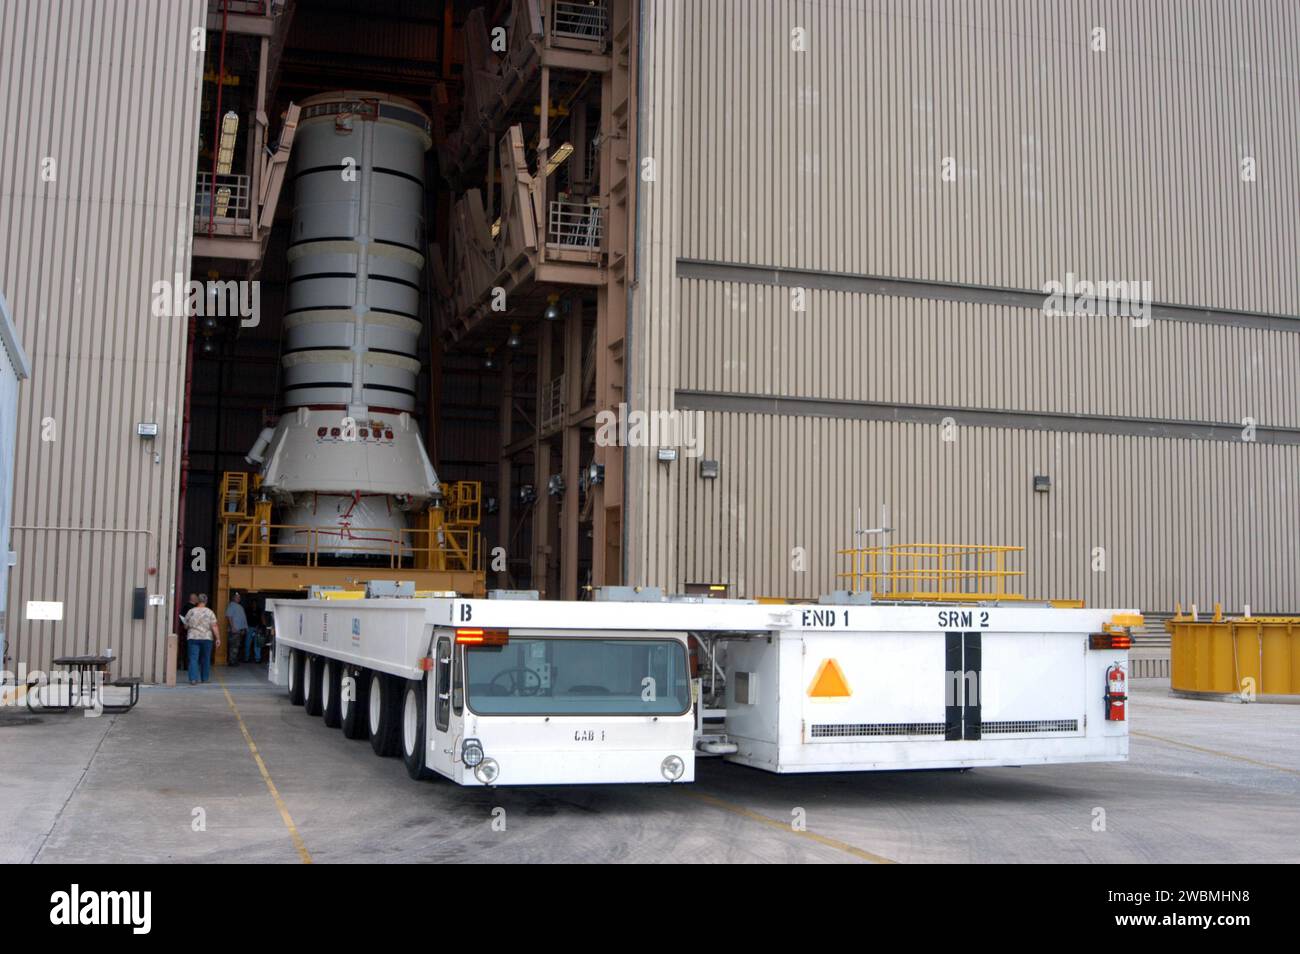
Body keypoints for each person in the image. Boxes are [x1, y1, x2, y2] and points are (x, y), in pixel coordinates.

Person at [183, 594, 220, 685]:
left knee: (193, 658)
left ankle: (193, 679)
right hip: (207, 638)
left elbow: (185, 626)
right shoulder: (210, 612)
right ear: (206, 601)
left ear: (197, 601)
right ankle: (205, 678)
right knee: (206, 659)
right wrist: (218, 638)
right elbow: (214, 626)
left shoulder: (191, 611)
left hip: (193, 637)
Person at [225, 592, 248, 667]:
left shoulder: (239, 606)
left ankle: (234, 660)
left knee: (237, 646)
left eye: (239, 598)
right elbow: (229, 617)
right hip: (235, 630)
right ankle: (232, 661)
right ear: (233, 598)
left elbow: (242, 618)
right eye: (237, 597)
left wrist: (244, 628)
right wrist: (233, 627)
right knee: (234, 646)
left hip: (239, 630)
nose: (239, 599)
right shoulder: (231, 605)